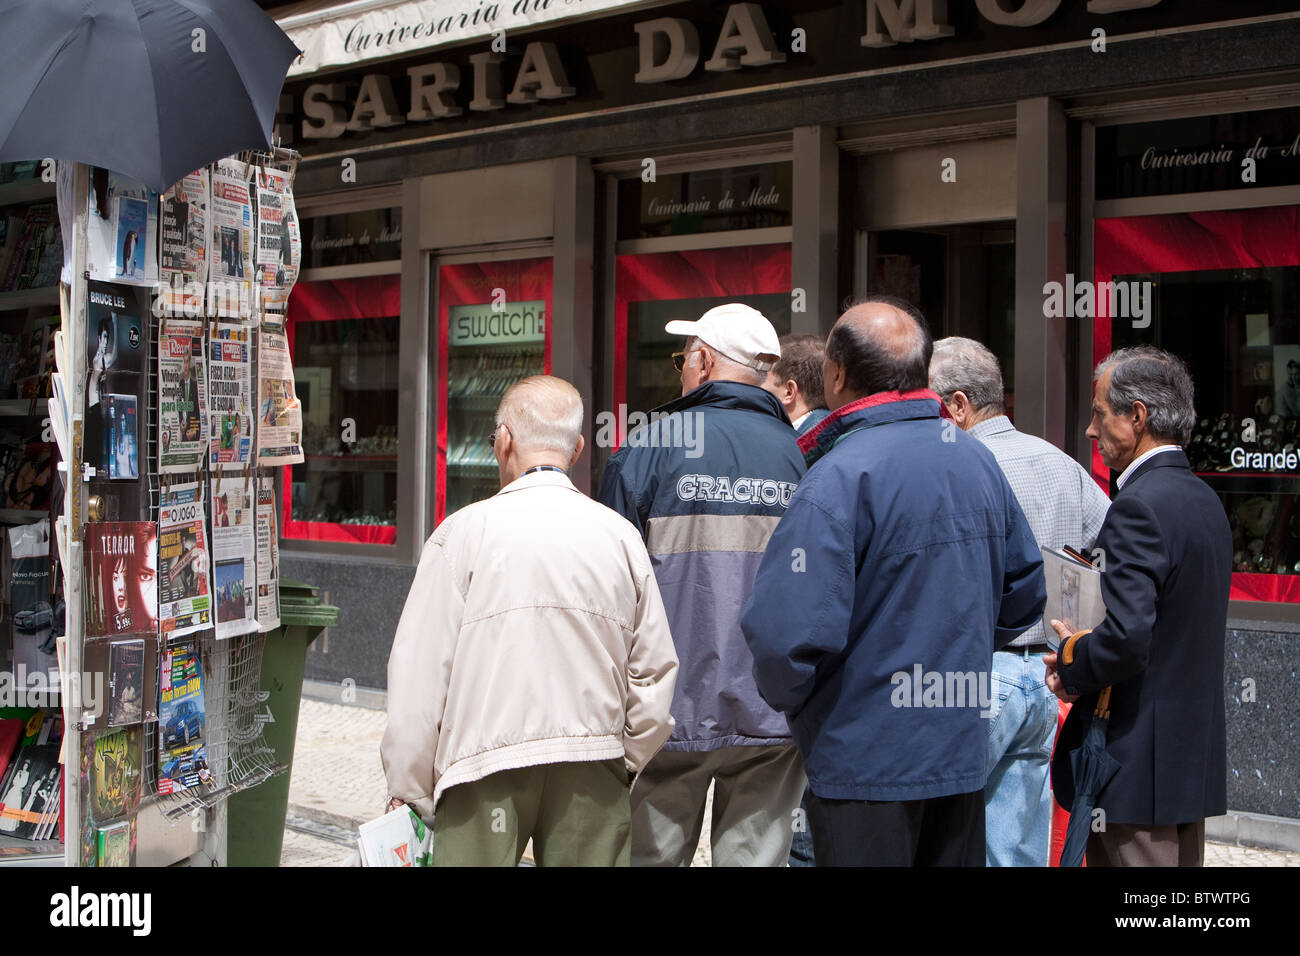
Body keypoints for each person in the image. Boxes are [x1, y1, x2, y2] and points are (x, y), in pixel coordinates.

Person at [741, 296, 1045, 867]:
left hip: (864, 763)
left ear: (835, 374)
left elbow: (783, 636)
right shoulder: (976, 461)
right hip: (954, 752)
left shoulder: (836, 475)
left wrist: (811, 709)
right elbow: (1025, 590)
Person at [382, 376, 678, 866]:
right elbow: (655, 670)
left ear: (503, 440)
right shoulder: (620, 537)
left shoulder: (462, 532)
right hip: (591, 764)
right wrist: (623, 760)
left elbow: (419, 675)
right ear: (579, 448)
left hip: (483, 764)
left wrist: (411, 789)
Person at [599, 303, 807, 867]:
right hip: (773, 712)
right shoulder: (802, 456)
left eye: (682, 358)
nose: (682, 369)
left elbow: (609, 592)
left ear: (705, 361)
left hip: (667, 712)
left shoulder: (648, 447)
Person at [1047, 346, 1232, 867]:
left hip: (1133, 763)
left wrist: (1070, 660)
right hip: (1179, 763)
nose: (1089, 429)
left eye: (1099, 413)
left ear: (1137, 417)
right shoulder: (1203, 499)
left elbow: (1128, 638)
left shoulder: (1139, 505)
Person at [929, 336, 1110, 867]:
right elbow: (1112, 549)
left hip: (978, 671)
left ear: (959, 406)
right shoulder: (1061, 462)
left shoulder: (956, 465)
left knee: (934, 832)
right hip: (1044, 678)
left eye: (928, 405)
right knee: (1015, 851)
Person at [764, 334, 830, 436]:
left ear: (789, 392)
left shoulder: (800, 446)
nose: (758, 391)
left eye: (763, 381)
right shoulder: (837, 434)